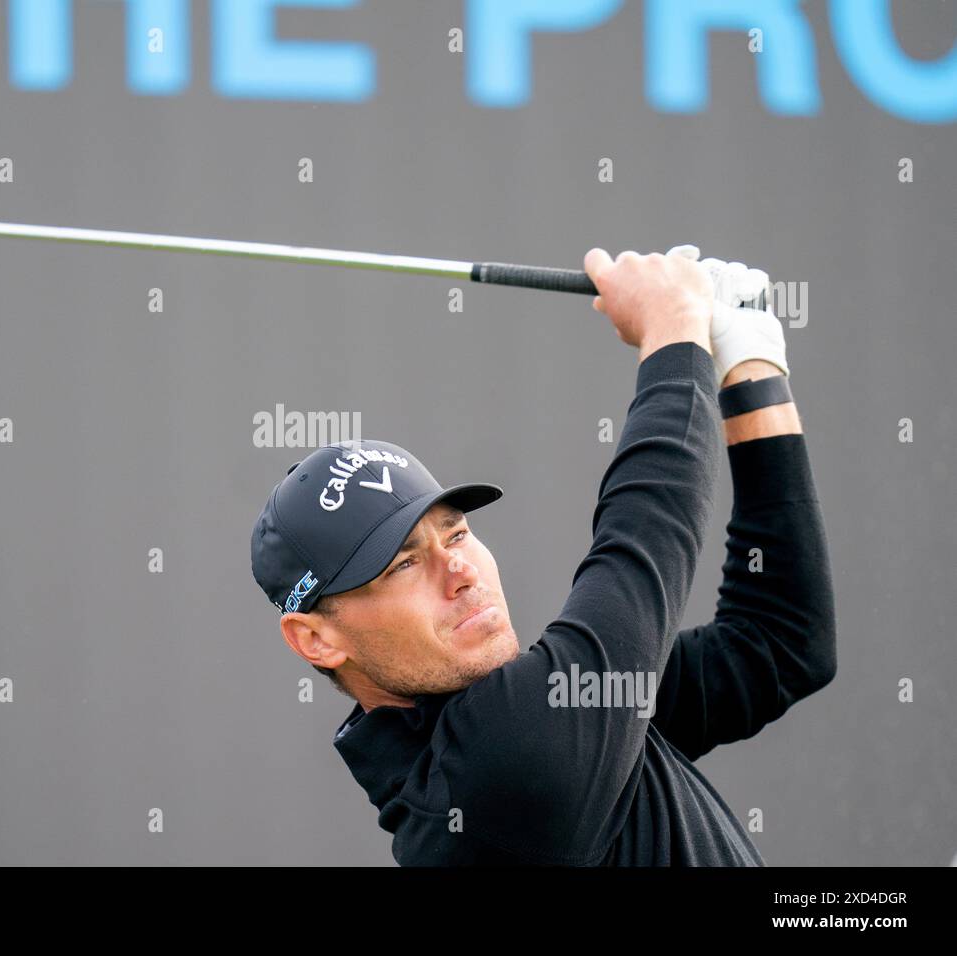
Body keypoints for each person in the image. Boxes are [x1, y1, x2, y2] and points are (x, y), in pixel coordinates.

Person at [249, 246, 836, 865]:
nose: (460, 572)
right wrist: (673, 330)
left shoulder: (552, 719)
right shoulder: (494, 777)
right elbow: (644, 535)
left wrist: (749, 364)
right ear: (315, 638)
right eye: (402, 564)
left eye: (456, 535)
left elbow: (780, 643)